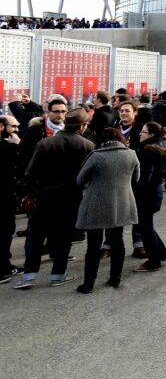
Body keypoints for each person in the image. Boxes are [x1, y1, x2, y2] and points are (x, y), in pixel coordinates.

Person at [13, 107, 95, 290]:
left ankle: (29, 276)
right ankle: (58, 274)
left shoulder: (45, 143)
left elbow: (30, 172)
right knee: (63, 236)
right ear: (82, 126)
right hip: (70, 198)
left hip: (43, 196)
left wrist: (29, 193)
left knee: (36, 236)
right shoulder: (87, 146)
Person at [74, 127, 140, 293]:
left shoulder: (97, 156)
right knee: (117, 241)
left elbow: (80, 179)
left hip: (96, 204)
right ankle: (115, 278)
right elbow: (137, 178)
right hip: (122, 203)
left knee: (93, 245)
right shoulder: (131, 154)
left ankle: (88, 283)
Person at [132, 122, 166, 273]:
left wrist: (136, 190)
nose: (140, 134)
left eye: (143, 132)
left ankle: (154, 261)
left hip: (147, 193)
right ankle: (160, 253)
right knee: (146, 225)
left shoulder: (148, 151)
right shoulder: (163, 146)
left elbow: (146, 177)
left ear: (151, 134)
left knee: (145, 228)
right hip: (155, 190)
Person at [0, 116, 22, 283]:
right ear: (2, 127)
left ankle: (5, 265)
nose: (16, 130)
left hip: (8, 197)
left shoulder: (6, 145)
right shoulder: (7, 147)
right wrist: (15, 147)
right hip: (3, 197)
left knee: (7, 231)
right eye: (13, 126)